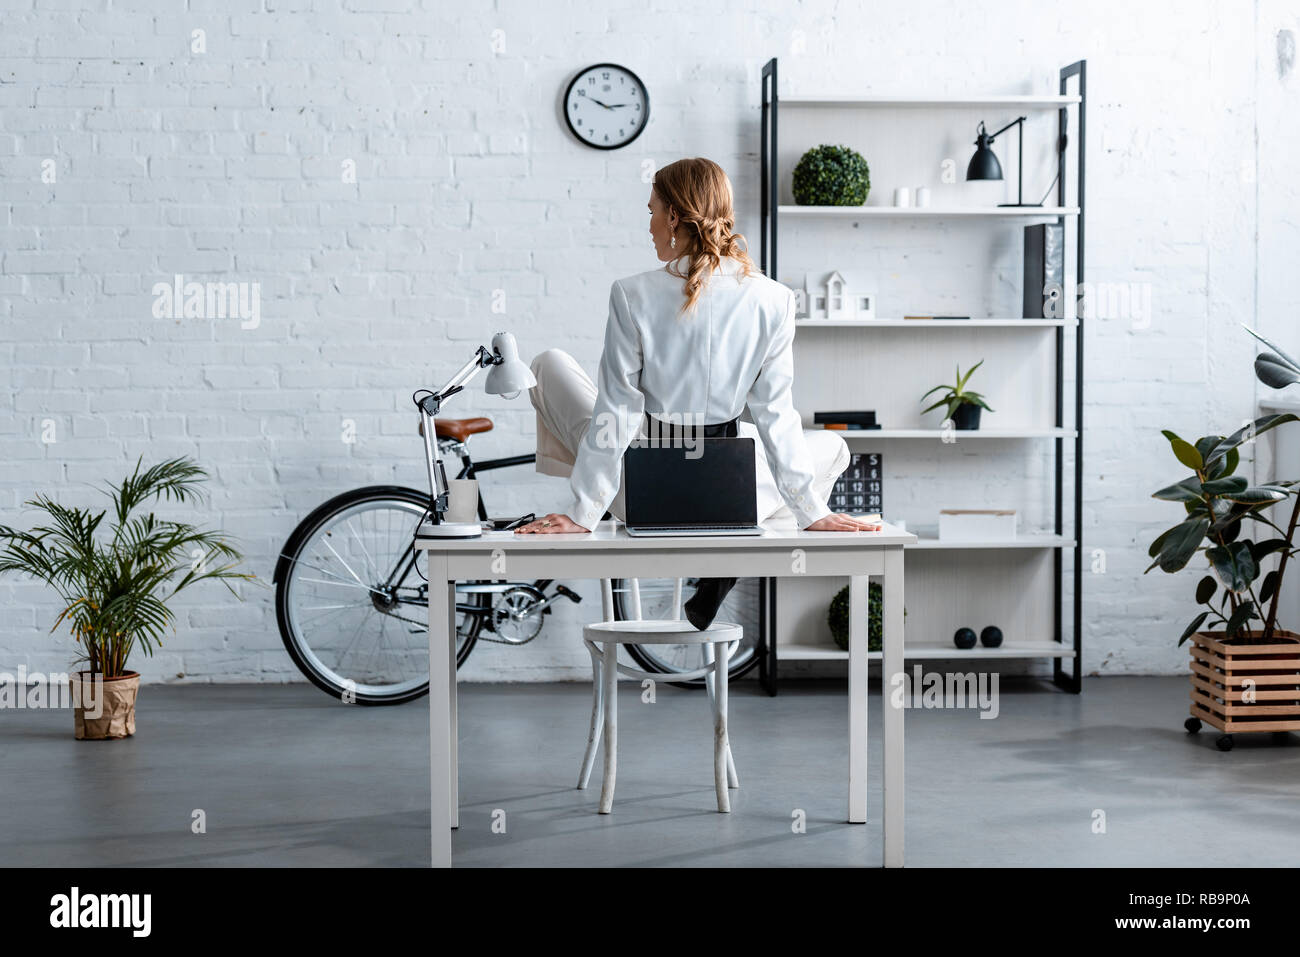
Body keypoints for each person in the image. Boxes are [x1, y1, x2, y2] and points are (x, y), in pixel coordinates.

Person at [516, 157, 880, 627]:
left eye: (651, 212)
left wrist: (582, 512)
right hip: (734, 496)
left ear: (673, 216)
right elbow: (775, 415)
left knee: (549, 365)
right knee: (831, 443)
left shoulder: (631, 293)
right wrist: (811, 512)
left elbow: (618, 411)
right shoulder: (775, 298)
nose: (649, 226)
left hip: (646, 498)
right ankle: (730, 554)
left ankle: (597, 498)